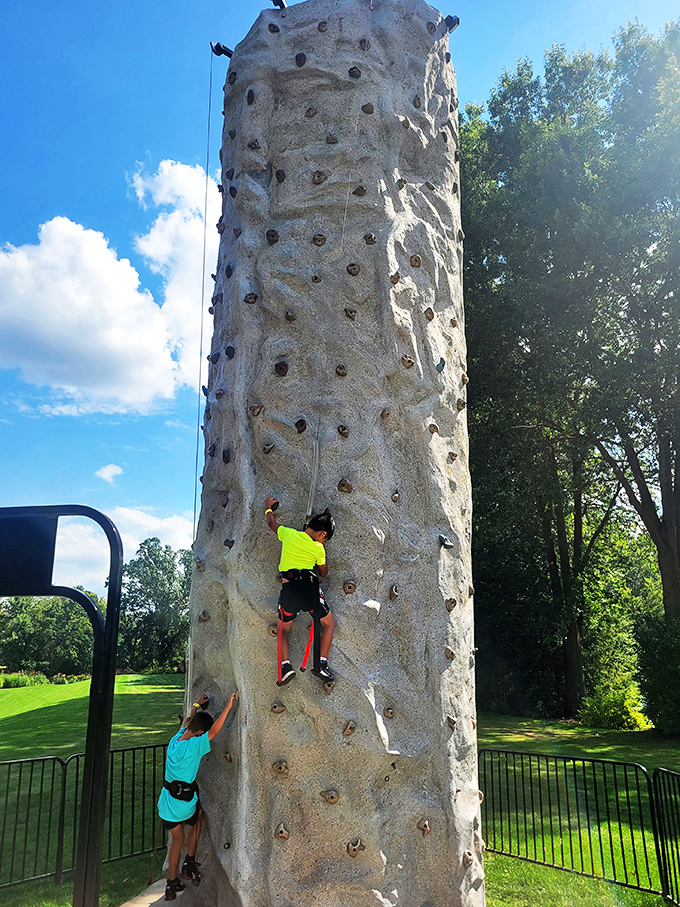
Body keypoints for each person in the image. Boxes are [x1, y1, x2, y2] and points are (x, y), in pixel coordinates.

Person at [158, 691, 237, 900]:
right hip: (184, 803)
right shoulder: (194, 746)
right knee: (197, 818)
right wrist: (228, 707)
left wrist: (196, 704)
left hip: (167, 804)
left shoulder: (175, 740)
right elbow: (214, 732)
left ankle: (171, 884)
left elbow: (187, 721)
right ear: (200, 732)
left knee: (177, 840)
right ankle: (190, 861)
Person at [264, 496, 335, 686]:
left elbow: (271, 523)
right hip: (310, 590)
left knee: (283, 629)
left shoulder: (288, 534)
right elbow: (324, 572)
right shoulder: (318, 547)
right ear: (322, 535)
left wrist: (268, 508)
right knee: (328, 624)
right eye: (325, 538)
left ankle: (286, 667)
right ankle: (321, 663)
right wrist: (320, 549)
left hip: (290, 588)